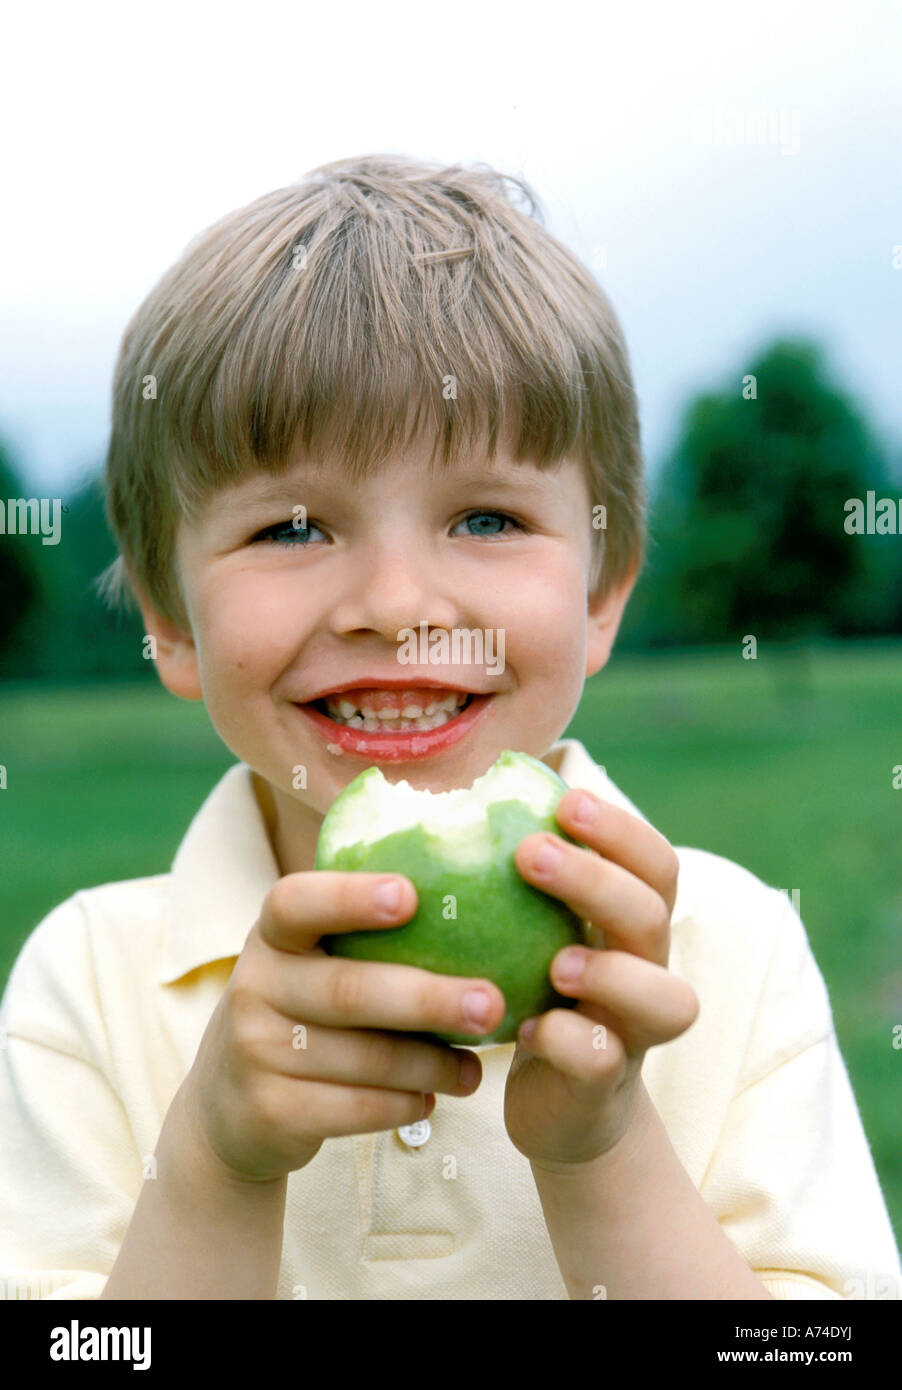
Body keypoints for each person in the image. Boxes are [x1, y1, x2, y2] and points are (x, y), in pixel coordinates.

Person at [1, 154, 899, 1301]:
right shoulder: (86, 983)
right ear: (170, 623)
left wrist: (605, 1147)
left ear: (600, 591)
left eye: (485, 516)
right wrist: (214, 1168)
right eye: (290, 527)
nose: (397, 608)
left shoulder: (730, 956)